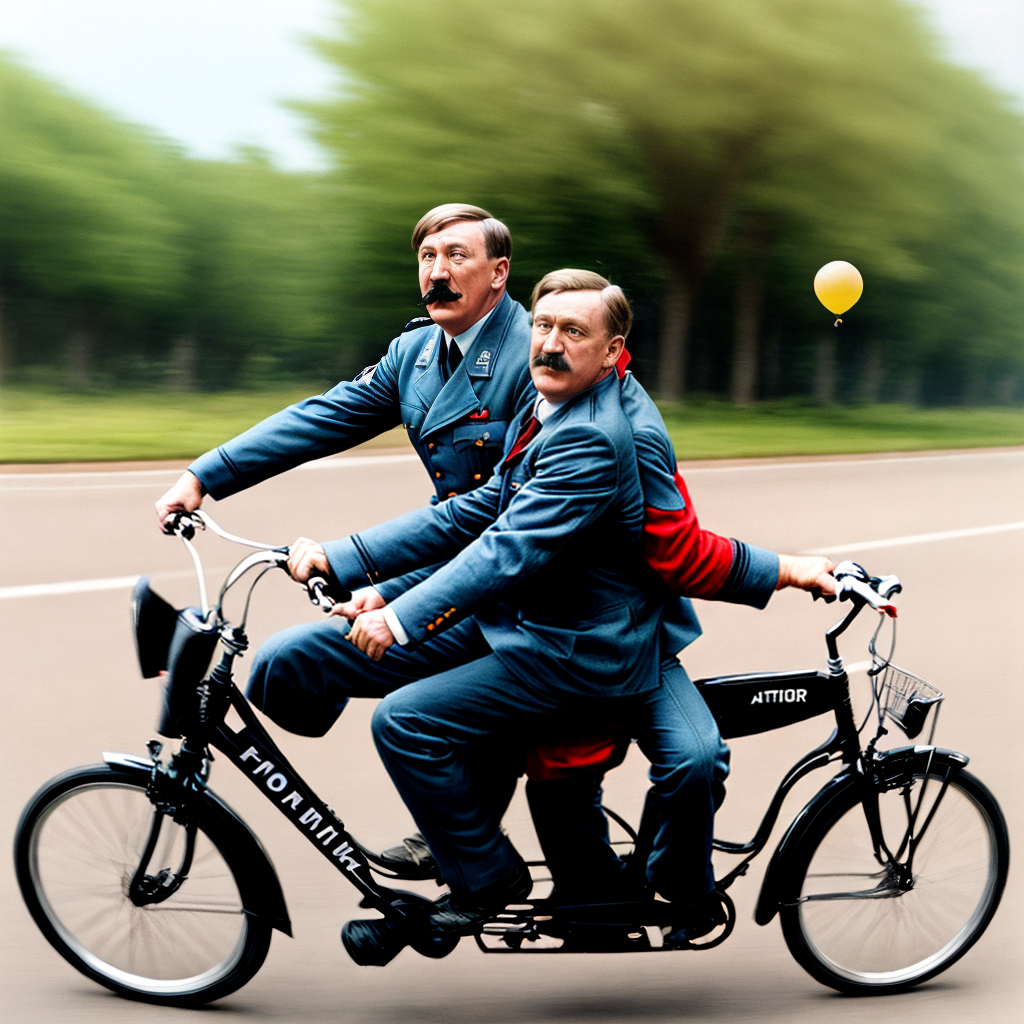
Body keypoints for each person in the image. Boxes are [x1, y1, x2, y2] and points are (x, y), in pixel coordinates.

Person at [306, 279, 663, 942]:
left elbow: (502, 552)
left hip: (574, 648)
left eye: (572, 332)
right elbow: (479, 509)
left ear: (613, 350)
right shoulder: (549, 409)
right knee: (348, 679)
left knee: (406, 721)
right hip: (538, 623)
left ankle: (486, 875)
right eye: (544, 325)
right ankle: (463, 851)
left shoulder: (588, 437)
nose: (550, 344)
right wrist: (366, 570)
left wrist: (400, 617)